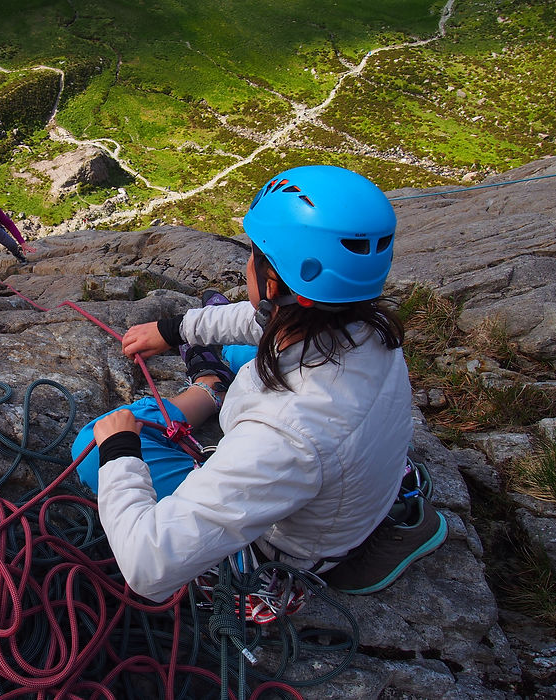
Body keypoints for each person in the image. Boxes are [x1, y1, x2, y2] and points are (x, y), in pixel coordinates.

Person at [71, 164, 447, 602]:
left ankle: (209, 389)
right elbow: (268, 320)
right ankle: (215, 379)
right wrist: (176, 329)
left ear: (273, 283)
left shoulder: (285, 436)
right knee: (239, 350)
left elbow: (149, 566)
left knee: (91, 445)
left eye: (255, 254)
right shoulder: (370, 329)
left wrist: (118, 451)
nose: (248, 262)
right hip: (335, 466)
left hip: (288, 542)